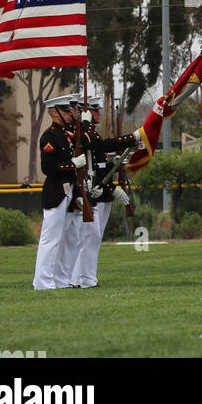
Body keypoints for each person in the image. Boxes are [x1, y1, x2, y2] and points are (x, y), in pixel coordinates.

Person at [69, 96, 136, 288]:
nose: (98, 114)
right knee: (84, 238)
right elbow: (94, 147)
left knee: (92, 237)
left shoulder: (91, 133)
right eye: (94, 111)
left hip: (97, 188)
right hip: (84, 189)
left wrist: (111, 181)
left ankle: (84, 277)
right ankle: (78, 278)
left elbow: (99, 159)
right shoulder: (83, 133)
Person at [33, 94, 87, 290]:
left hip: (70, 190)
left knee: (69, 238)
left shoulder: (67, 134)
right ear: (54, 113)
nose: (70, 113)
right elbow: (48, 167)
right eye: (66, 110)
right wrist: (71, 164)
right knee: (51, 239)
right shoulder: (50, 136)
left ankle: (61, 280)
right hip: (56, 192)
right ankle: (42, 281)